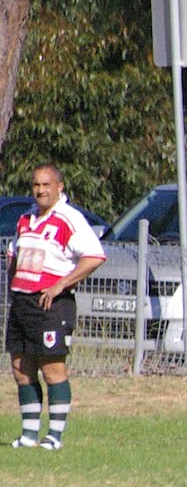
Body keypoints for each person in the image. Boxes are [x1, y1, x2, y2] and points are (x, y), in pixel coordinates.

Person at [6, 162, 105, 450]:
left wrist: (60, 284)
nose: (40, 190)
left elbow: (94, 256)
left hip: (51, 304)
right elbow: (14, 255)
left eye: (46, 184)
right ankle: (28, 435)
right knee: (21, 368)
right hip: (23, 302)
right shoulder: (25, 219)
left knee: (52, 370)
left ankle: (55, 436)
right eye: (36, 185)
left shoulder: (68, 218)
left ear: (59, 187)